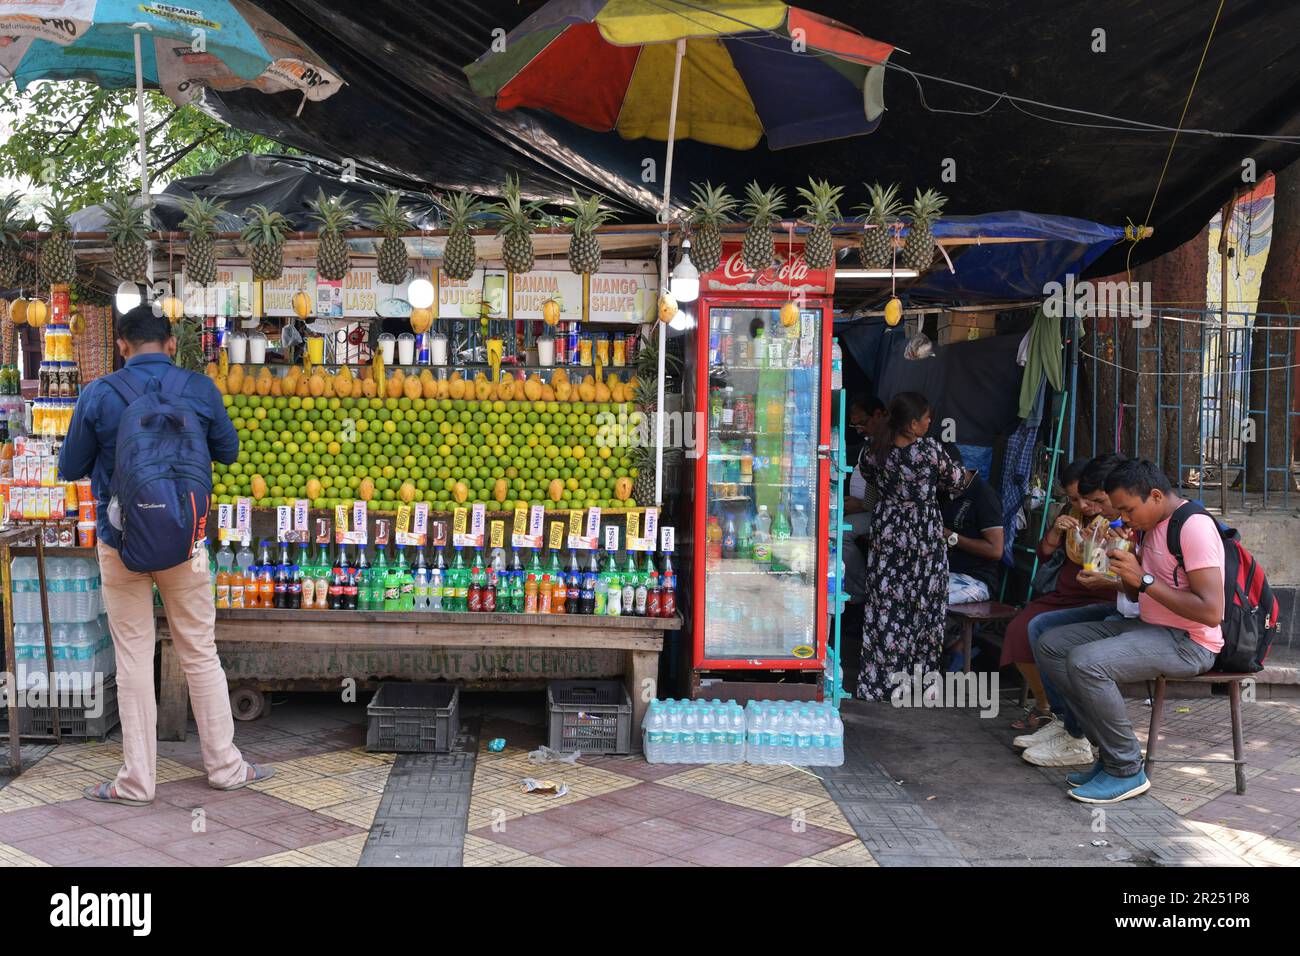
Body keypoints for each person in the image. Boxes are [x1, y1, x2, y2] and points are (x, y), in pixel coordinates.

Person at [58, 304, 273, 806]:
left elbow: (70, 466)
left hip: (120, 543)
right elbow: (229, 452)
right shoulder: (199, 389)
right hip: (189, 544)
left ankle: (137, 782)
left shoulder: (99, 393)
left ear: (121, 346)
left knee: (133, 657)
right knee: (200, 650)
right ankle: (224, 767)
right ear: (172, 344)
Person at [1035, 459, 1224, 804]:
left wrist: (1143, 578)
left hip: (1190, 643)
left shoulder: (1193, 526)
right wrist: (1124, 562)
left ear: (1154, 495)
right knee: (1051, 644)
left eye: (1127, 509)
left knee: (1087, 661)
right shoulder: (1149, 525)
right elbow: (1138, 592)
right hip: (1151, 627)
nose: (1123, 517)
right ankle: (1107, 755)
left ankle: (1126, 768)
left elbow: (1212, 612)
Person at [856, 392, 964, 700]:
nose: (930, 423)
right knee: (923, 606)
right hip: (922, 534)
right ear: (913, 424)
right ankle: (916, 686)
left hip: (888, 528)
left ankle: (878, 684)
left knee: (885, 606)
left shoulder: (874, 449)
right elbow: (956, 480)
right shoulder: (929, 451)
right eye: (927, 418)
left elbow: (868, 477)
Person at [999, 458, 1115, 734]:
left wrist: (1092, 543)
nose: (1083, 506)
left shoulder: (1109, 519)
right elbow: (1044, 554)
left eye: (1086, 499)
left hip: (1098, 597)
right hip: (1062, 595)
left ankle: (1069, 719)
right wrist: (1055, 530)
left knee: (1052, 639)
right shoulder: (1069, 513)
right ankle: (1044, 706)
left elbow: (1102, 570)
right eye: (1075, 499)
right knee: (1019, 628)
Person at [939, 443, 1005, 605]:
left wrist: (950, 536)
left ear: (953, 470)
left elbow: (996, 551)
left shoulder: (984, 495)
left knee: (932, 601)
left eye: (937, 476)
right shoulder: (945, 493)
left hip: (977, 581)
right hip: (947, 573)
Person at [842, 395, 887, 602]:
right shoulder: (870, 443)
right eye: (854, 425)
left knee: (839, 532)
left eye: (862, 423)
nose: (859, 429)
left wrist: (861, 505)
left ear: (878, 415)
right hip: (865, 508)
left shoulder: (887, 444)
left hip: (879, 513)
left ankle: (861, 593)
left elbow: (885, 494)